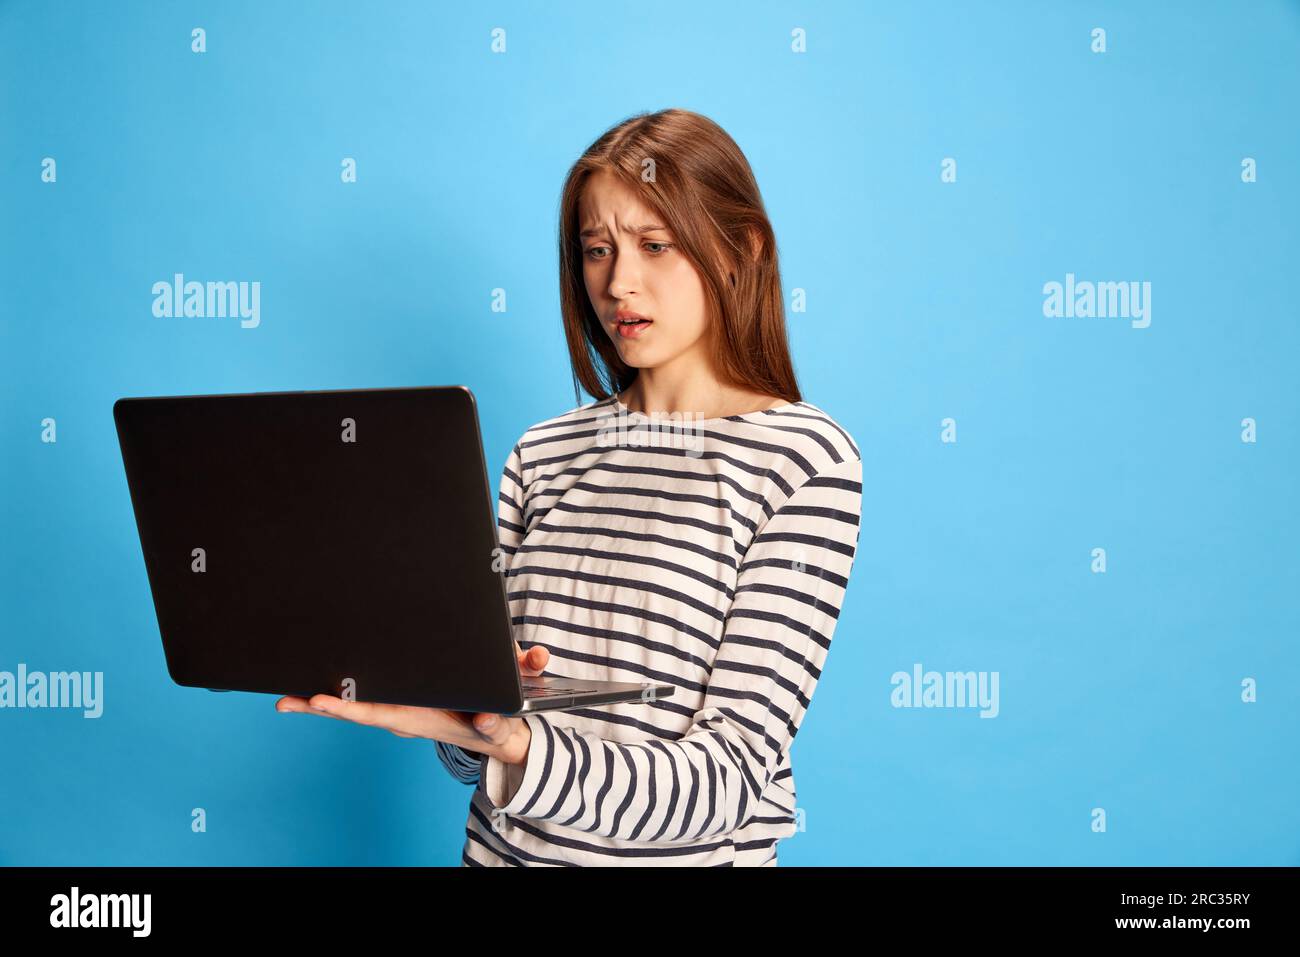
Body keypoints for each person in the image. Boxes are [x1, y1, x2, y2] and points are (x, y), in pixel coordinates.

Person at [276, 108, 864, 866]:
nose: (619, 281)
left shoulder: (804, 459)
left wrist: (521, 743)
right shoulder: (543, 453)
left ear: (740, 249)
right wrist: (463, 718)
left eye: (655, 244)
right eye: (596, 249)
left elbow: (730, 776)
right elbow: (479, 760)